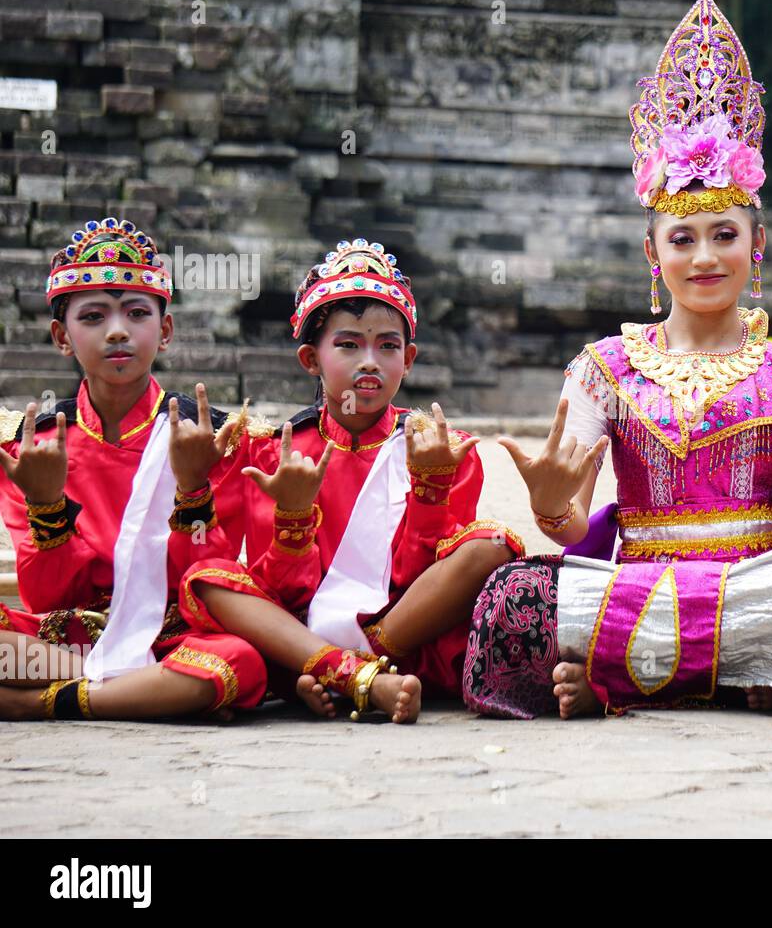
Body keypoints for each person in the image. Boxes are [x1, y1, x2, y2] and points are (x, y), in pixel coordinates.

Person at [463, 0, 772, 723]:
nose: (705, 256)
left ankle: (632, 671)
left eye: (725, 235)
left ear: (755, 248)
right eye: (683, 238)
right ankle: (735, 676)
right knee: (514, 597)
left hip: (757, 585)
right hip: (637, 585)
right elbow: (571, 527)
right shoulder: (603, 368)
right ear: (652, 251)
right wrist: (547, 503)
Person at [177, 239, 523, 723]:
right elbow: (284, 593)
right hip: (299, 636)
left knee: (492, 544)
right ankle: (352, 674)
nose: (369, 362)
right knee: (207, 581)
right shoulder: (269, 451)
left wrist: (429, 490)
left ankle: (347, 669)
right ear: (310, 359)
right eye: (347, 344)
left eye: (388, 346)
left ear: (409, 359)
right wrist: (293, 519)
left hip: (403, 633)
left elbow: (416, 584)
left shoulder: (441, 449)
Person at [0, 218, 266, 720]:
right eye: (94, 316)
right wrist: (45, 505)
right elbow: (48, 597)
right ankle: (143, 694)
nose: (118, 331)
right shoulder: (27, 447)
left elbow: (208, 579)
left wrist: (192, 487)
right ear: (62, 335)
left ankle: (43, 704)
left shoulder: (214, 439)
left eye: (137, 313)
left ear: (164, 331)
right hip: (67, 643)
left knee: (239, 660)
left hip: (170, 638)